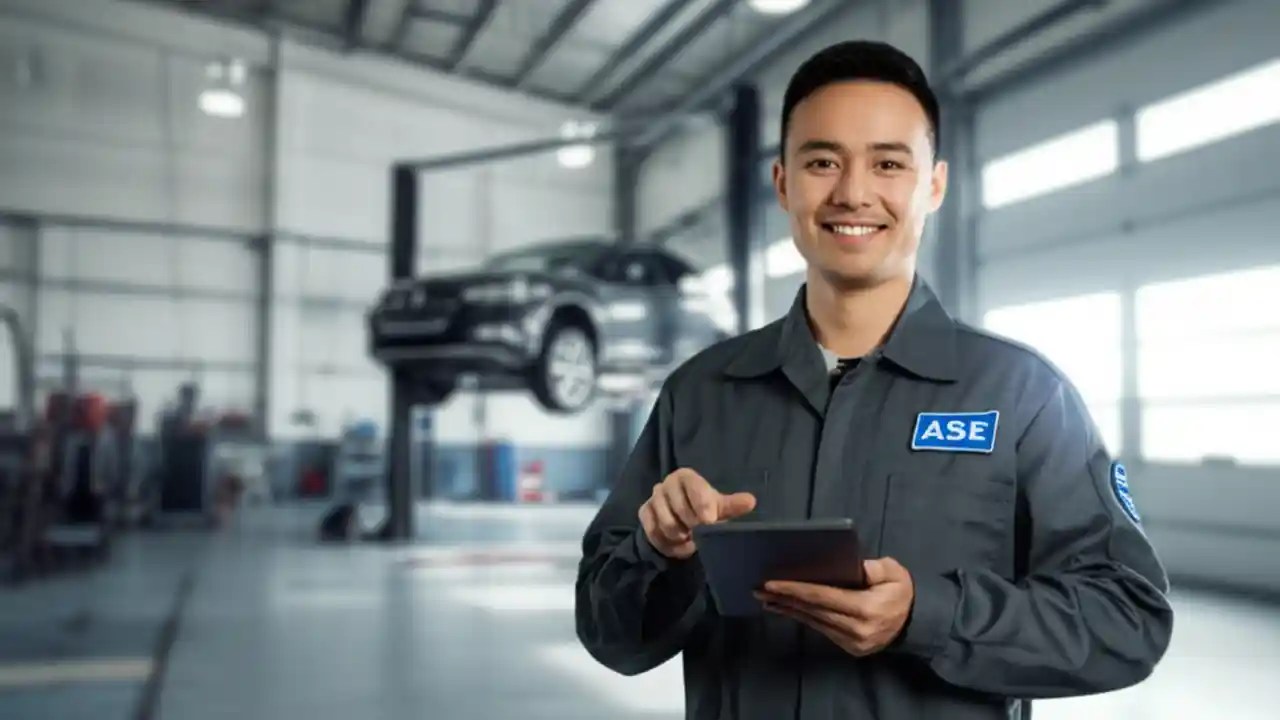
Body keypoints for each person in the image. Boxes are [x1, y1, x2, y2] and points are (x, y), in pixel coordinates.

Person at [574, 40, 1173, 720]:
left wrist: (928, 615)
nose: (853, 193)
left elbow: (1128, 619)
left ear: (934, 186)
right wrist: (660, 552)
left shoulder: (1022, 396)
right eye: (822, 162)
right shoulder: (701, 395)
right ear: (783, 184)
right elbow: (608, 634)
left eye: (888, 163)